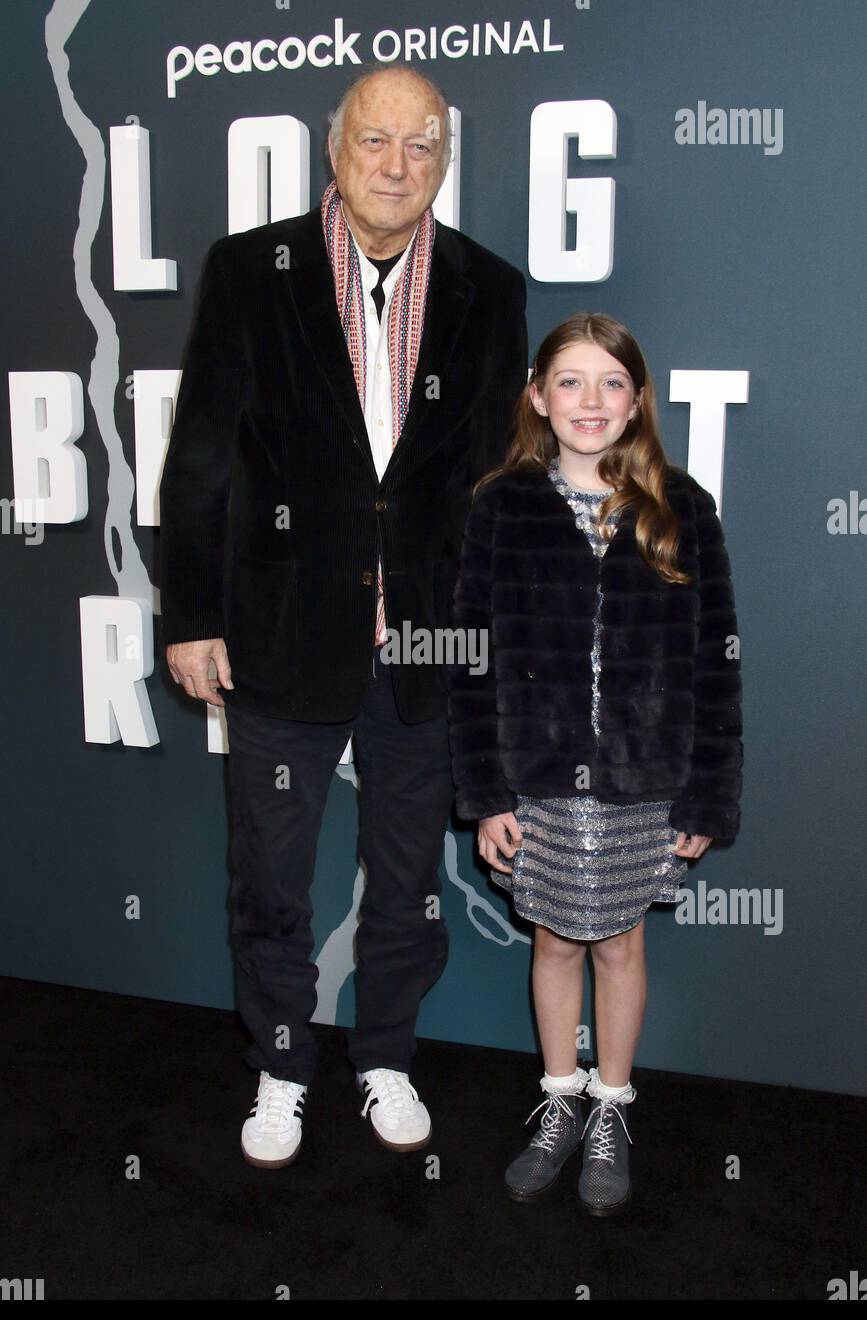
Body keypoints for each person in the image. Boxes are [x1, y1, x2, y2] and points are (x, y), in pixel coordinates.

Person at [158, 63, 528, 1167]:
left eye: (422, 146)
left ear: (443, 165)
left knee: (409, 878)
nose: (397, 164)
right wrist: (191, 613)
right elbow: (202, 458)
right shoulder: (248, 271)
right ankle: (281, 1064)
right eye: (377, 140)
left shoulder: (487, 287)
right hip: (278, 636)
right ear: (337, 150)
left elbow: (492, 479)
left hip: (422, 646)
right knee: (271, 871)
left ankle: (385, 1056)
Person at [447, 312, 742, 1214]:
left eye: (611, 382)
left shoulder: (682, 507)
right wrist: (486, 789)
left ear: (637, 402)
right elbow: (469, 658)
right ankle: (558, 1097)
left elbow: (716, 658)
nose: (590, 400)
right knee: (552, 938)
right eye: (569, 381)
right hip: (535, 779)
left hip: (643, 782)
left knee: (618, 942)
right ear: (537, 397)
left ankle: (610, 1105)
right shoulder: (499, 505)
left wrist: (707, 789)